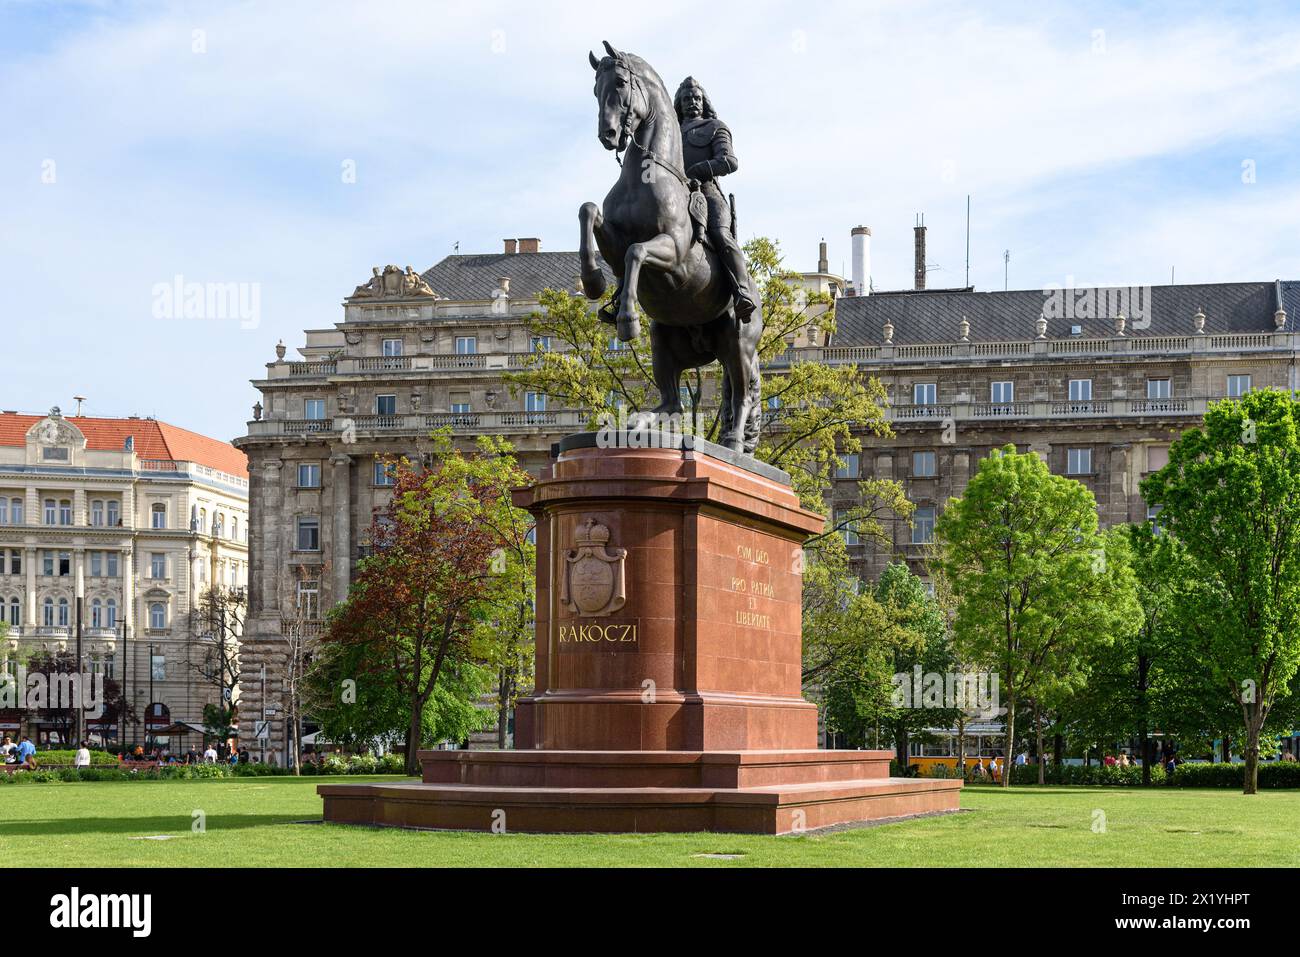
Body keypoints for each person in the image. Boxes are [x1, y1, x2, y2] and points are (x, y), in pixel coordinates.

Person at [672, 76, 758, 322]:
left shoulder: (715, 127)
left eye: (696, 98)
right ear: (679, 103)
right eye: (686, 99)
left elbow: (729, 161)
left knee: (721, 235)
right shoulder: (670, 133)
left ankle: (742, 291)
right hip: (674, 195)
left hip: (707, 193)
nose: (692, 102)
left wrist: (698, 170)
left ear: (704, 101)